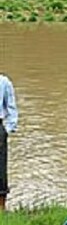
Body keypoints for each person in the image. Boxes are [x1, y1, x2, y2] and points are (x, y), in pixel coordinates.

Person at [0, 73, 18, 212]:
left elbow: (11, 107)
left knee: (0, 167)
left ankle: (1, 207)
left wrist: (7, 129)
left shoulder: (3, 82)